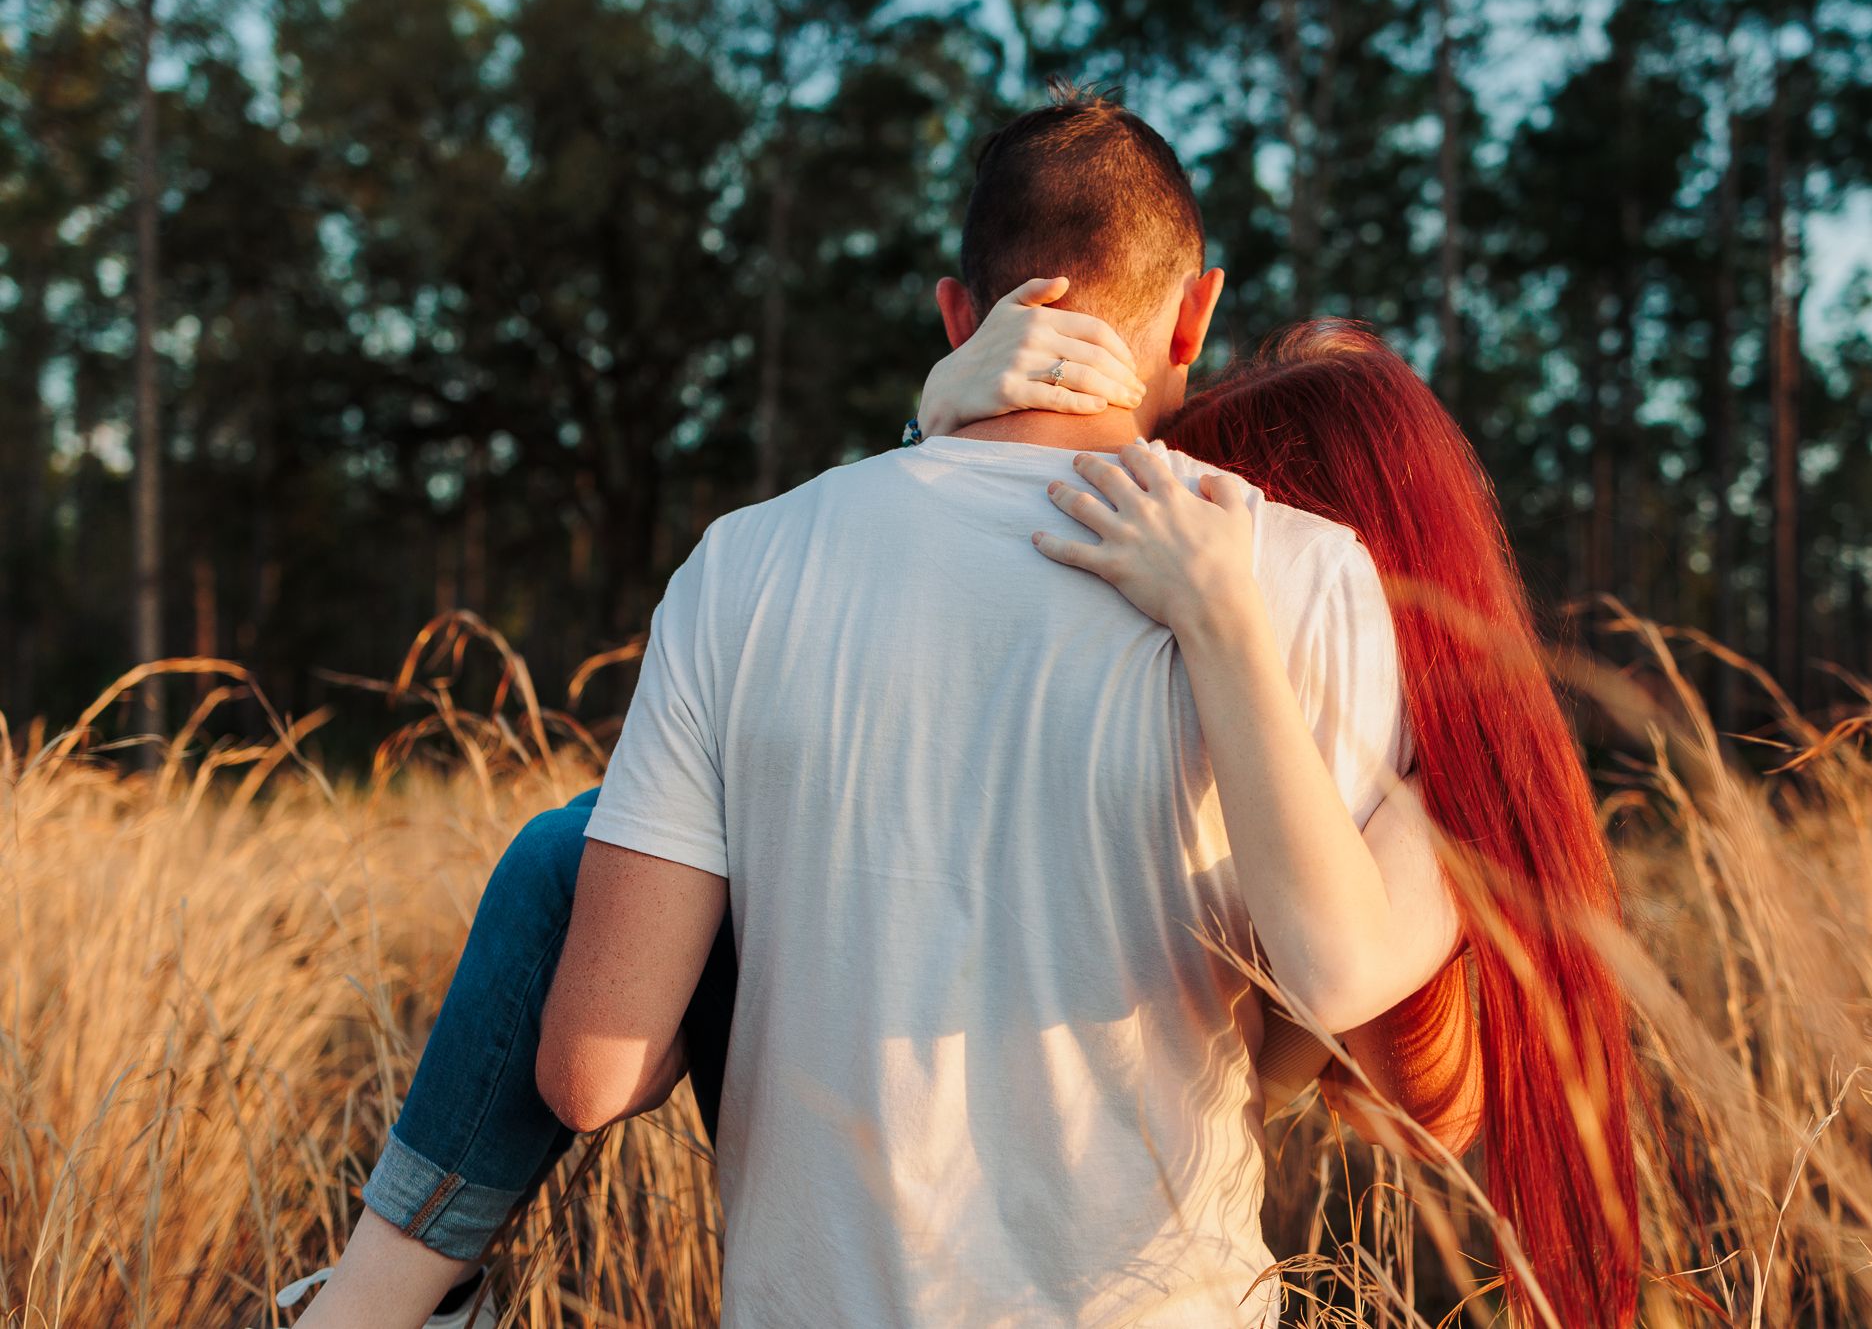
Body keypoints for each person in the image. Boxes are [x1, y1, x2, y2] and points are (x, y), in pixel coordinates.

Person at [281, 85, 1637, 1329]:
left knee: (566, 849)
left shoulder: (745, 565)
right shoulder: (1312, 582)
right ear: (1195, 314)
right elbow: (1314, 1026)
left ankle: (359, 1306)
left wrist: (922, 452)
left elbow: (592, 1074)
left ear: (955, 312)